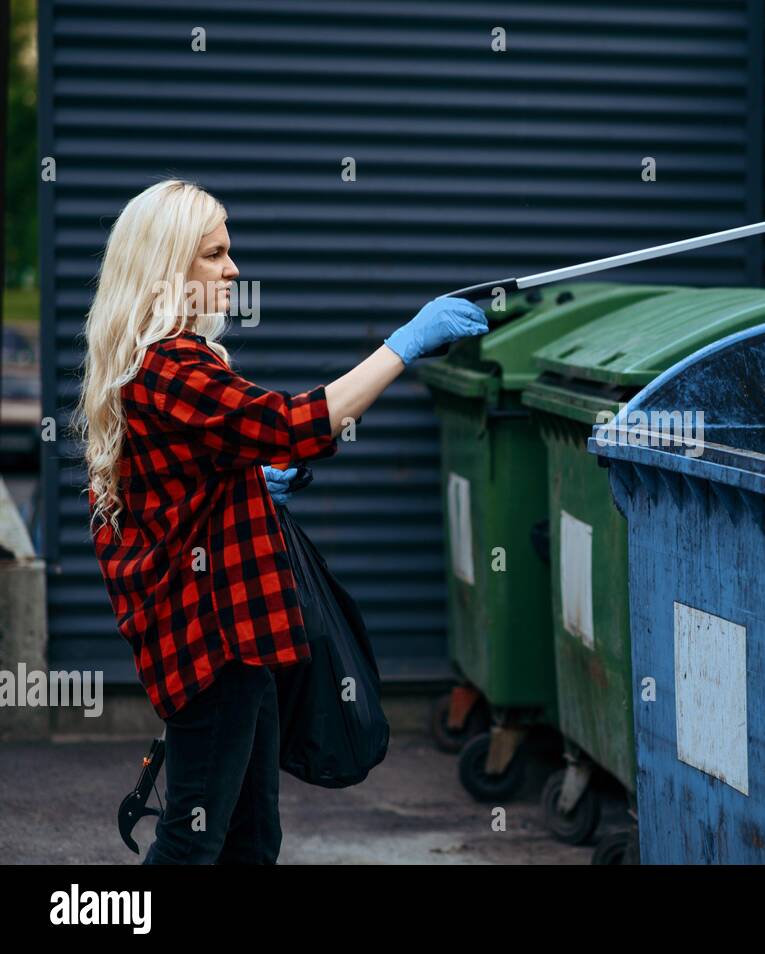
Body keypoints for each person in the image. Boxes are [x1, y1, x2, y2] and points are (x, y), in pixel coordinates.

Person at [72, 179, 487, 863]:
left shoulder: (162, 363)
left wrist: (245, 484)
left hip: (237, 642)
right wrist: (404, 345)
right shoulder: (171, 367)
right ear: (167, 267)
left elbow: (168, 485)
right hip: (212, 647)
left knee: (251, 837)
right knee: (193, 842)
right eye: (214, 254)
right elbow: (295, 424)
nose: (233, 269)